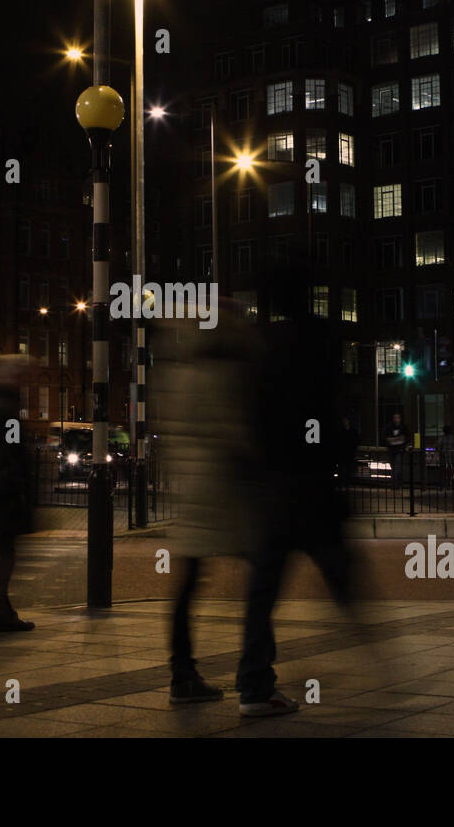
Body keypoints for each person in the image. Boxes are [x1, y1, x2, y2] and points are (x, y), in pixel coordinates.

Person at [237, 269, 354, 716]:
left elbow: (254, 412)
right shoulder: (318, 339)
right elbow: (328, 406)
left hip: (274, 485)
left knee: (262, 589)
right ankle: (382, 663)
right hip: (311, 484)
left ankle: (253, 685)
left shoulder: (264, 346)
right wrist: (338, 453)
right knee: (342, 576)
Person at [154, 303, 260, 703]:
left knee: (188, 582)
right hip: (224, 491)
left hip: (193, 493)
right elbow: (236, 433)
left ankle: (182, 672)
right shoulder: (221, 374)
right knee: (261, 572)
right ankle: (255, 674)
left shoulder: (180, 375)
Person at [0, 358, 35, 632]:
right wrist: (15, 488)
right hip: (4, 499)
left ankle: (1, 609)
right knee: (4, 556)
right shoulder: (7, 412)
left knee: (2, 554)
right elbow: (8, 454)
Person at [385, 411, 409, 488]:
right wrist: (399, 440)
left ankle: (396, 484)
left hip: (399, 450)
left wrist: (393, 440)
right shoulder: (389, 427)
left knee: (397, 467)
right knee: (394, 467)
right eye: (395, 418)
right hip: (393, 450)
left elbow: (406, 437)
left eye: (397, 418)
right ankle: (397, 483)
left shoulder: (403, 427)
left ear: (400, 419)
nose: (396, 419)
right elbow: (387, 438)